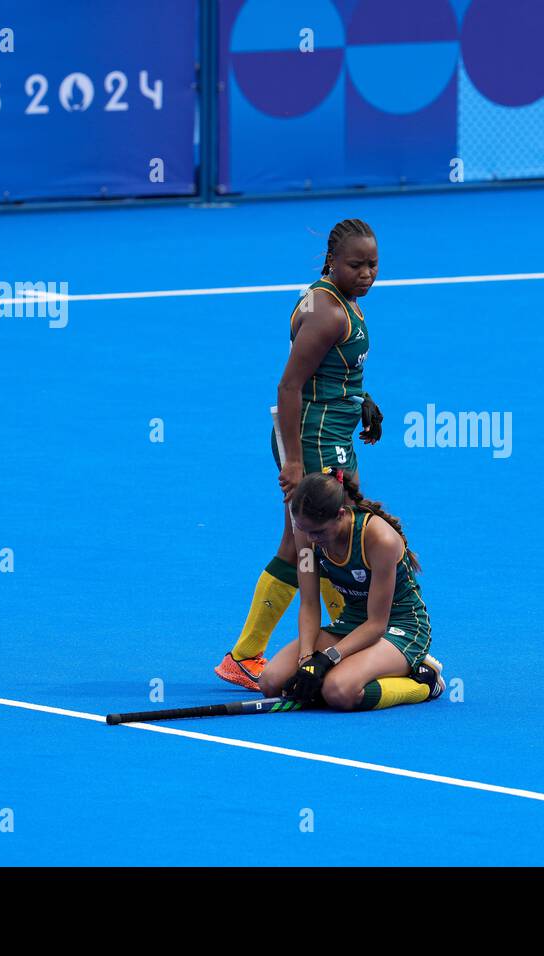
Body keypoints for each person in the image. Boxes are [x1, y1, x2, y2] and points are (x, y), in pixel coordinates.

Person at [216, 219, 385, 687]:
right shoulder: (329, 312)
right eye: (356, 265)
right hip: (312, 442)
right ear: (333, 261)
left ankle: (325, 644)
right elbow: (290, 385)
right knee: (319, 540)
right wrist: (293, 461)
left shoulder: (335, 297)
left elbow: (330, 373)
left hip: (328, 433)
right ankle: (248, 655)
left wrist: (363, 402)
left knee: (323, 540)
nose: (367, 274)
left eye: (373, 264)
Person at [259, 469, 442, 712]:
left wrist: (327, 658)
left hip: (399, 627)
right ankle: (354, 670)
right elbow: (310, 604)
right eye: (306, 531)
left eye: (319, 532)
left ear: (341, 515)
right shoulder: (305, 534)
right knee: (271, 681)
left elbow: (377, 624)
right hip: (352, 624)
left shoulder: (379, 539)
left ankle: (423, 683)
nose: (312, 539)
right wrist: (306, 660)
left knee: (339, 691)